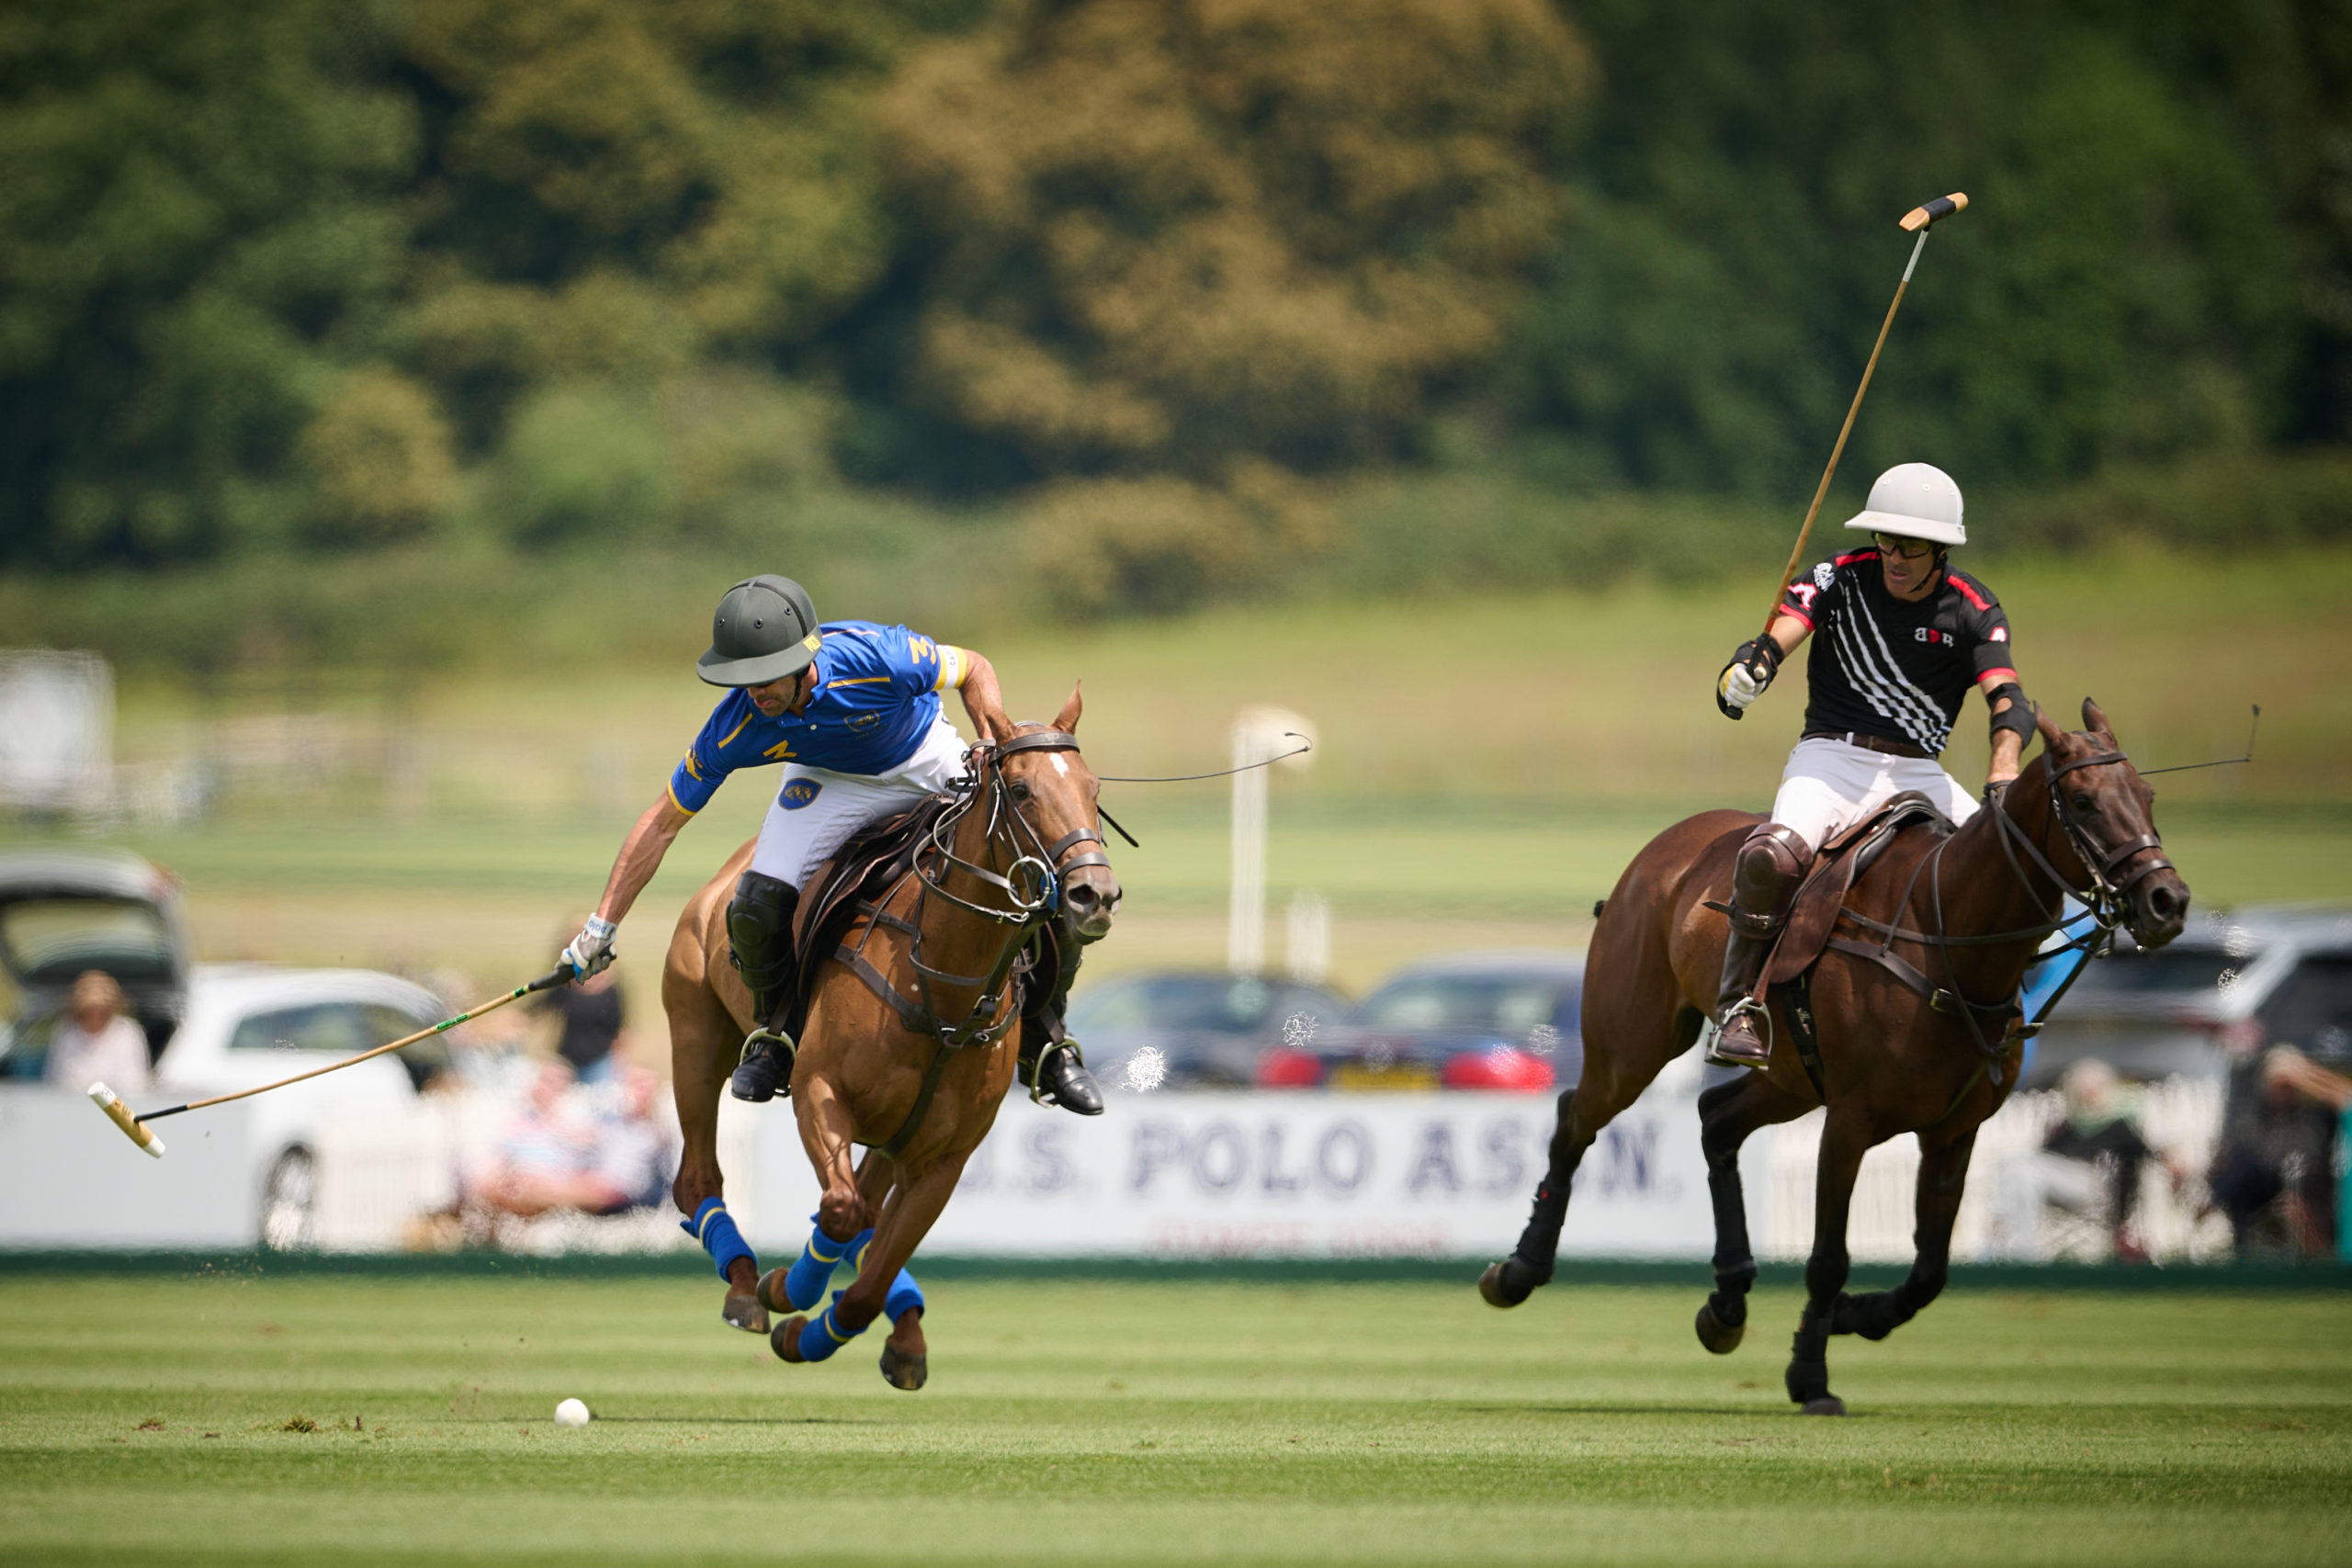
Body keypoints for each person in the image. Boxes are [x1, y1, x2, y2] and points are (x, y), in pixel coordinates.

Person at [557, 575, 1103, 1114]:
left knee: (1040, 876)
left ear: (805, 658)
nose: (756, 694)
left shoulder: (880, 656)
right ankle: (777, 1036)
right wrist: (600, 927)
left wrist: (986, 742)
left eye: (768, 677)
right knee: (755, 903)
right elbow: (661, 823)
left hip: (923, 758)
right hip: (826, 781)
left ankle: (1046, 1042)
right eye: (743, 680)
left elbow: (974, 667)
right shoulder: (735, 725)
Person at [1708, 463, 2036, 1067]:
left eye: (1910, 545)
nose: (1895, 556)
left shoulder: (1973, 608)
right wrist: (1748, 672)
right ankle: (1739, 1006)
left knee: (2014, 870)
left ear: (1941, 549)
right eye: (1886, 540)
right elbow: (1781, 635)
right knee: (1771, 854)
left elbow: (2009, 699)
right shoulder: (1839, 577)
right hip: (1832, 756)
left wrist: (2004, 769)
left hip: (1920, 770)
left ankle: (1999, 1011)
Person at [1989, 1059, 2158, 1261]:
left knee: (2018, 1168)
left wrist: (2171, 1158)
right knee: (2020, 1173)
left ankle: (2015, 1251)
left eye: (2091, 1087)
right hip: (2055, 1180)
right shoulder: (2067, 1125)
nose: (2086, 1093)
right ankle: (2018, 1250)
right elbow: (2047, 1153)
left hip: (2089, 1185)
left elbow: (2142, 1153)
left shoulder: (2118, 1124)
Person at [535, 915, 626, 1082]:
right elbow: (535, 1011)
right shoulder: (563, 984)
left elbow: (620, 1032)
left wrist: (619, 1066)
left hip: (599, 1064)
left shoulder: (612, 989)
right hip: (566, 1063)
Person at [43, 970, 151, 1094]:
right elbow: (54, 1082)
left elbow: (134, 1085)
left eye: (101, 1010)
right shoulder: (66, 1034)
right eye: (89, 1010)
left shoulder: (128, 1033)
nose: (95, 1015)